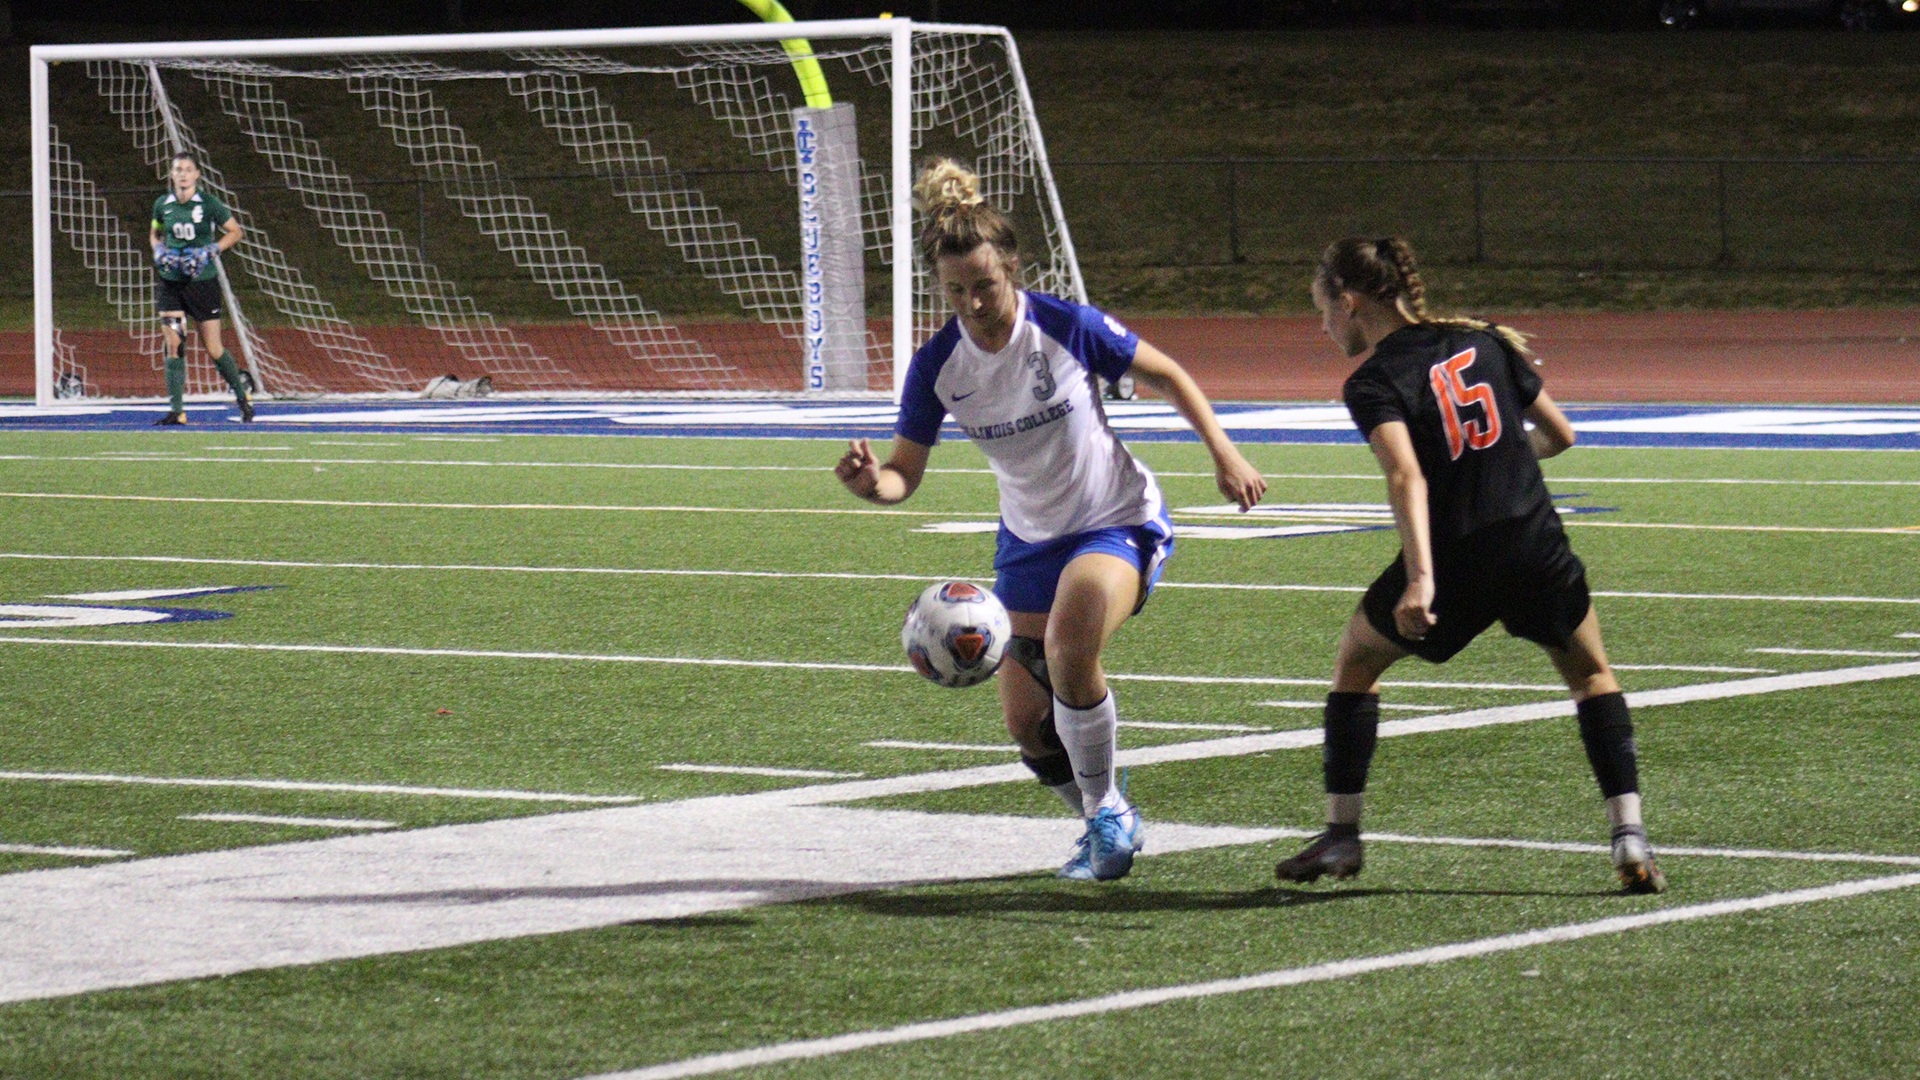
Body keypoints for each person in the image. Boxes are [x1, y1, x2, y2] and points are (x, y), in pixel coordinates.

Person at [836, 159, 1267, 881]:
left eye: (985, 285)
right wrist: (868, 483)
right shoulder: (938, 366)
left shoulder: (1064, 325)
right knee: (1028, 727)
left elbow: (1168, 375)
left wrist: (1223, 455)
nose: (973, 303)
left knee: (1072, 645)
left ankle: (1105, 816)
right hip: (1027, 544)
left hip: (1116, 519)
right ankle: (1102, 816)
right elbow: (902, 475)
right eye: (956, 292)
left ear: (1012, 268)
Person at [1275, 236, 1667, 895]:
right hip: (1535, 542)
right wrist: (1498, 464)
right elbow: (1560, 436)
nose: (1322, 326)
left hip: (1458, 556)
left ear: (1350, 301)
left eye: (1322, 310)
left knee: (1357, 660)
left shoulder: (1373, 380)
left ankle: (1343, 834)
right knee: (1592, 675)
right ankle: (1629, 833)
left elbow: (1405, 477)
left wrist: (1422, 577)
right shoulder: (1484, 340)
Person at [150, 150, 250, 425]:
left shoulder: (208, 204)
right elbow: (155, 233)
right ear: (171, 174)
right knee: (174, 342)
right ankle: (177, 410)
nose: (182, 174)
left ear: (196, 175)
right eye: (177, 169)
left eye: (187, 169)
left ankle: (243, 397)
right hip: (172, 282)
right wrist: (159, 251)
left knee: (214, 348)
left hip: (202, 283)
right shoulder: (163, 205)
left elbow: (235, 231)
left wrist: (211, 250)